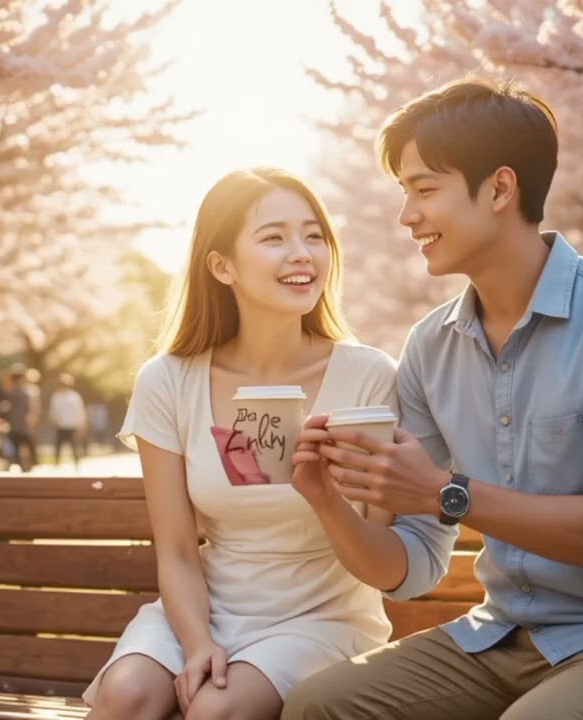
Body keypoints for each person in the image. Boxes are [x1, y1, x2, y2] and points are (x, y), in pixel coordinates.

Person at [282, 77, 583, 719]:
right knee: (318, 706)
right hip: (499, 637)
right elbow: (410, 569)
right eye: (406, 193)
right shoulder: (430, 346)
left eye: (425, 190)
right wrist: (327, 500)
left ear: (499, 188)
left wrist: (446, 491)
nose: (408, 217)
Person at [83, 167, 400, 720]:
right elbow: (178, 551)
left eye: (313, 235)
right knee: (126, 696)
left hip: (321, 616)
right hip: (202, 607)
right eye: (274, 237)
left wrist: (327, 495)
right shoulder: (168, 380)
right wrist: (199, 640)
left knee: (215, 710)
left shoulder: (371, 376)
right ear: (221, 265)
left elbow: (382, 545)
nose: (302, 253)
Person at [3, 364, 37, 471]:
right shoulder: (26, 392)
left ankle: (23, 463)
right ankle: (29, 464)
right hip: (22, 425)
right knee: (26, 445)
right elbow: (30, 409)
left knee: (18, 446)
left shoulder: (13, 392)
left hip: (17, 425)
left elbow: (9, 409)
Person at [49, 373, 87, 469]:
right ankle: (57, 464)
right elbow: (53, 411)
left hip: (72, 425)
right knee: (58, 447)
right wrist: (54, 420)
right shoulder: (56, 396)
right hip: (60, 426)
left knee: (74, 447)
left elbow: (80, 411)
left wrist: (82, 424)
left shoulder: (74, 396)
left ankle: (77, 465)